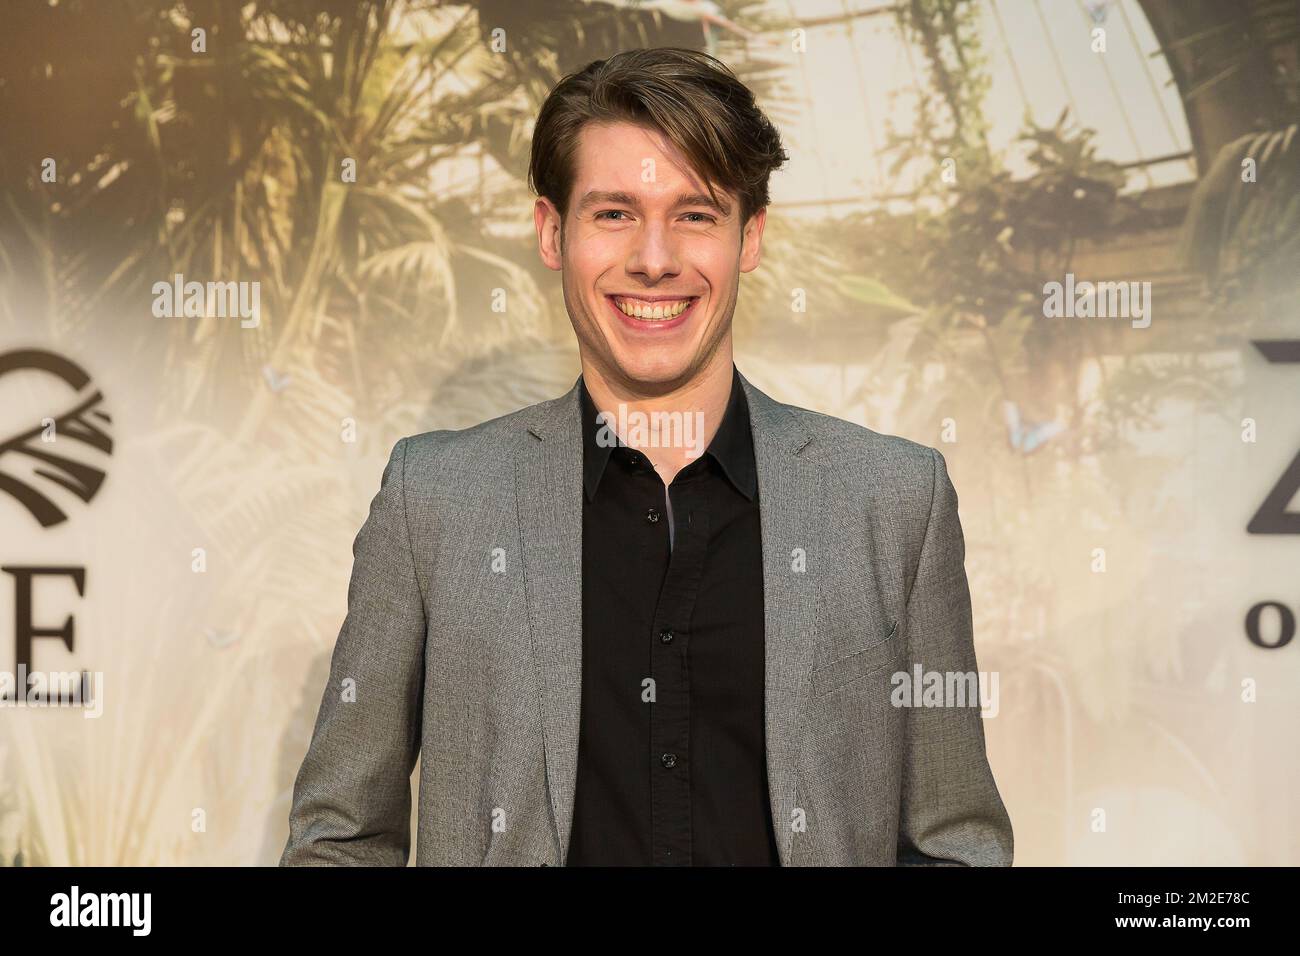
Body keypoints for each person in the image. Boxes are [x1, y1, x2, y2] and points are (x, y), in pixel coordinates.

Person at [281, 46, 1012, 867]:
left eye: (696, 214)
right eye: (614, 213)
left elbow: (955, 844)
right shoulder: (434, 502)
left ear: (751, 237)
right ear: (552, 232)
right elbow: (340, 840)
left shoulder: (896, 502)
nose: (655, 258)